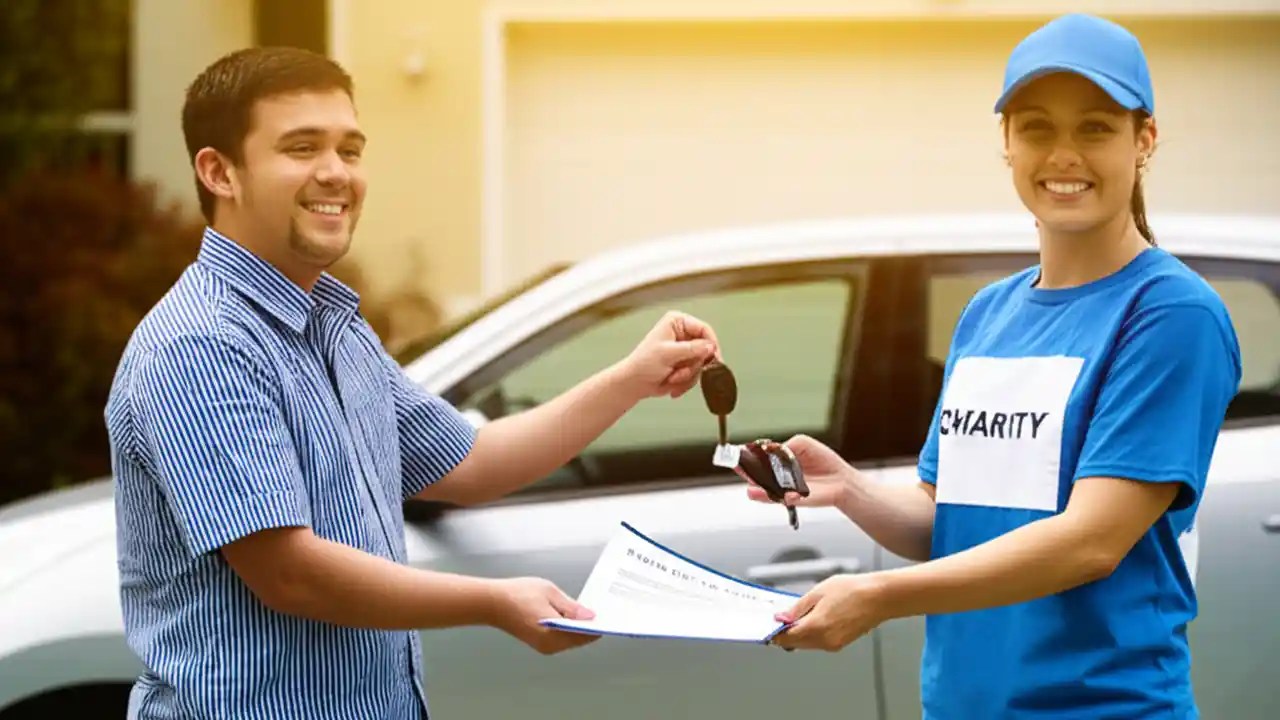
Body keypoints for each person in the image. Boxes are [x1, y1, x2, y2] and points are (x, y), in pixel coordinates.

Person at [104, 46, 720, 720]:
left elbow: (473, 464)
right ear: (220, 171)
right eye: (302, 147)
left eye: (350, 148)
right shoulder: (204, 344)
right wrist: (490, 601)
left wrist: (633, 379)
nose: (336, 173)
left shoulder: (334, 328)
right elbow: (289, 573)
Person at [737, 14, 1241, 719]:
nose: (1063, 154)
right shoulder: (988, 313)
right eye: (1036, 127)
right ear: (1006, 141)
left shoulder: (1171, 314)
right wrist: (851, 491)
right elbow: (945, 519)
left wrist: (878, 599)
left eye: (1095, 127)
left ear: (1144, 139)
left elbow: (1091, 542)